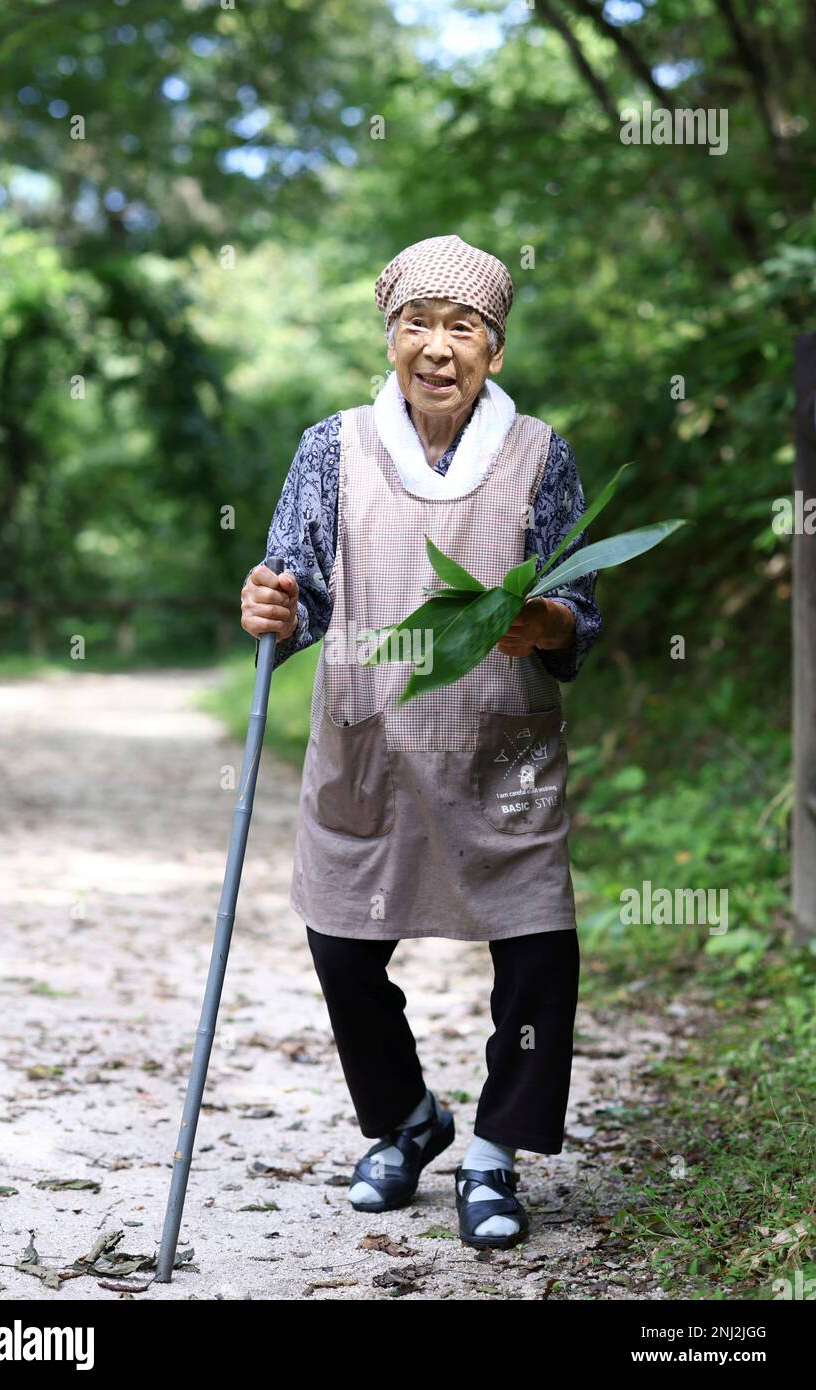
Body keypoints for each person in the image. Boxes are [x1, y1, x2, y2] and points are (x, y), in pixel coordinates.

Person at [240, 233, 603, 1250]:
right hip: (370, 746)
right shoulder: (334, 447)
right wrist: (271, 603)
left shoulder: (539, 453)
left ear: (494, 348)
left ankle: (495, 1150)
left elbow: (581, 603)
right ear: (391, 336)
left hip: (500, 748)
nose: (438, 347)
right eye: (418, 324)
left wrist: (556, 625)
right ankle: (407, 1119)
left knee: (538, 949)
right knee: (340, 942)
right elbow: (296, 587)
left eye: (464, 328)